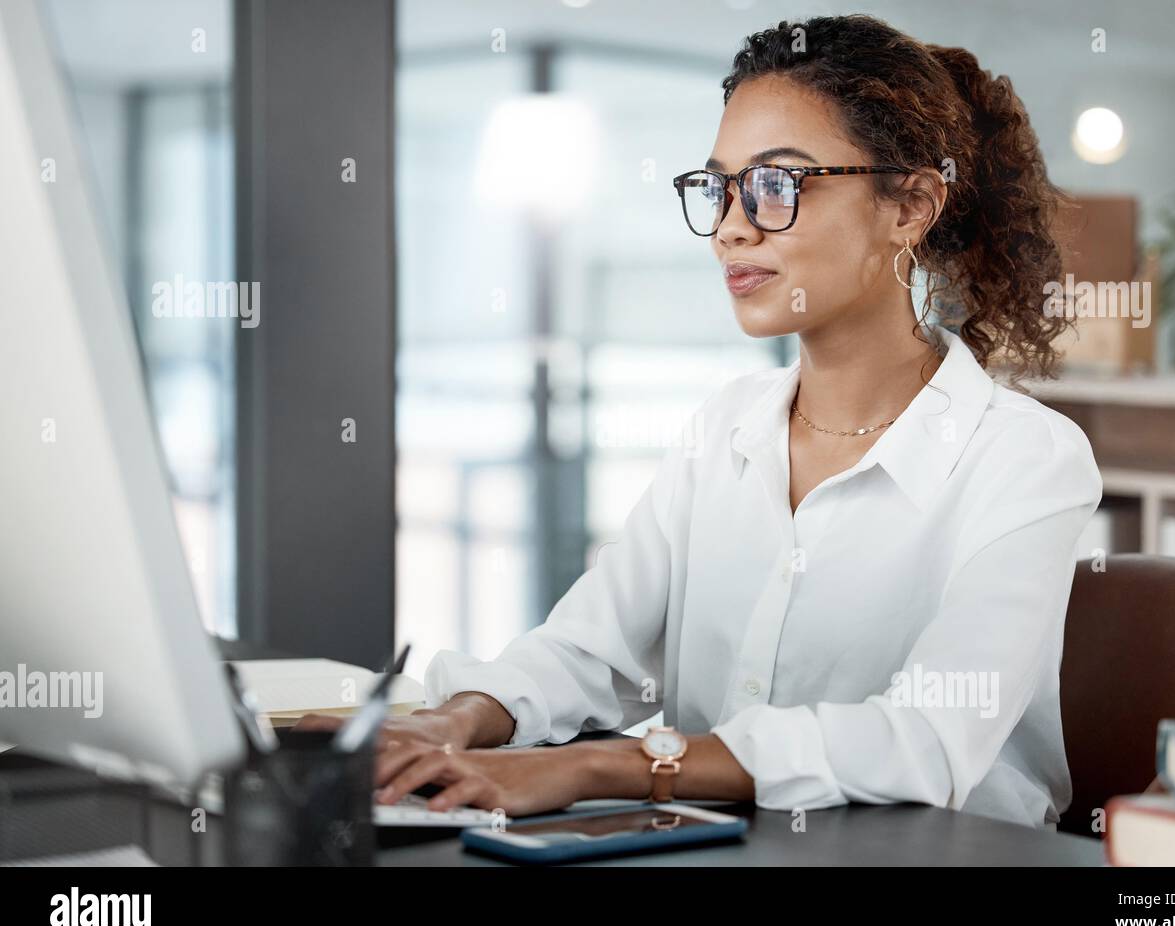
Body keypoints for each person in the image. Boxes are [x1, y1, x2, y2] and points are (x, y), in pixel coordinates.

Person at [300, 14, 1102, 829]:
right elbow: (590, 647)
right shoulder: (727, 428)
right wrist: (449, 723)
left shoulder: (1024, 457)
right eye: (719, 186)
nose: (730, 227)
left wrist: (595, 766)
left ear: (911, 206)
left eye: (776, 185)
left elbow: (926, 737)